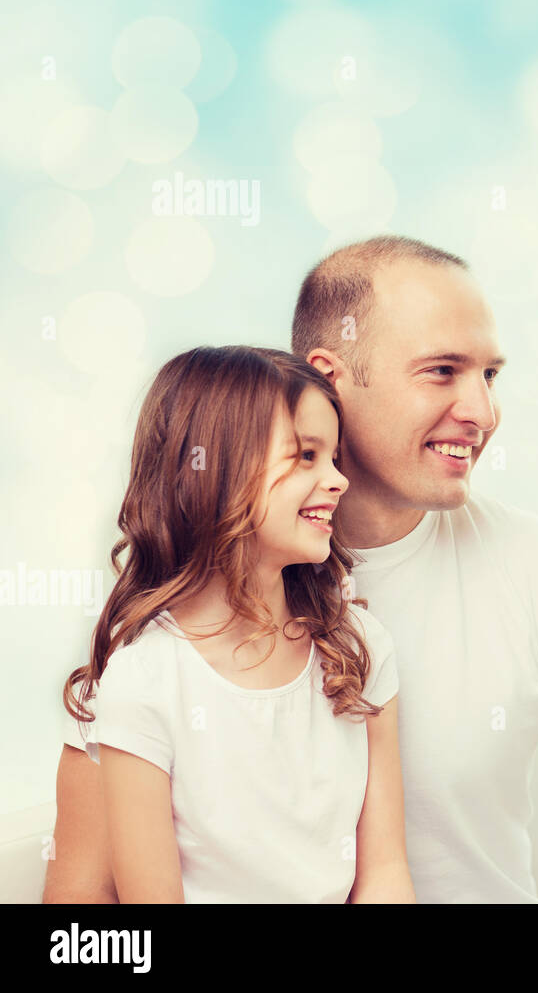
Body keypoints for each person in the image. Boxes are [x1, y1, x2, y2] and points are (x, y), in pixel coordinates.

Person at [47, 238, 538, 904]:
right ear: (332, 376)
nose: (482, 411)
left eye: (490, 375)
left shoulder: (535, 572)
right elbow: (84, 890)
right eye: (443, 371)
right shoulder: (158, 645)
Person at [58, 346, 413, 903]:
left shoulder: (360, 647)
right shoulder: (145, 680)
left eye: (334, 458)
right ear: (212, 474)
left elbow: (385, 874)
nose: (338, 480)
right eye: (306, 456)